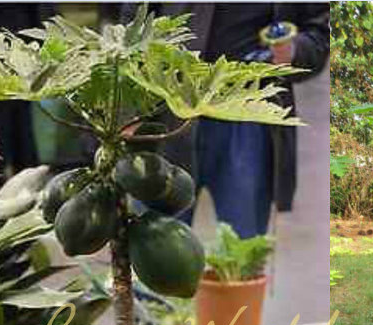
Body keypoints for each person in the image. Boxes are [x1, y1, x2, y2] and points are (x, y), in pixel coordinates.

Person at [117, 3, 330, 237]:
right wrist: (128, 108)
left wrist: (294, 50)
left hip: (248, 114)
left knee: (241, 255)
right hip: (168, 105)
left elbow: (319, 30)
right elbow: (133, 20)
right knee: (156, 245)